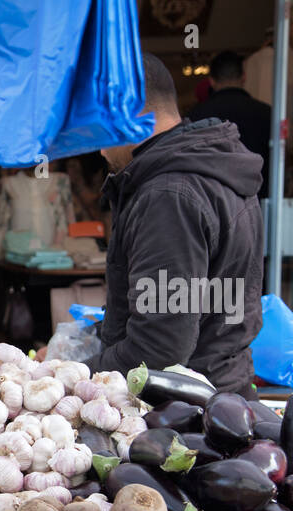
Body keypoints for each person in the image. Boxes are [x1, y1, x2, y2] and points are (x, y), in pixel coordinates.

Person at [76, 54, 264, 397]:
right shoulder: (210, 169)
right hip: (222, 396)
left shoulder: (169, 196)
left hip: (186, 415)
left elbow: (158, 349)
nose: (98, 149)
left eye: (97, 124)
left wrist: (71, 376)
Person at [187, 51, 272, 199]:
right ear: (244, 77)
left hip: (211, 205)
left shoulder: (195, 116)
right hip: (259, 204)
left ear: (212, 81)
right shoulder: (267, 114)